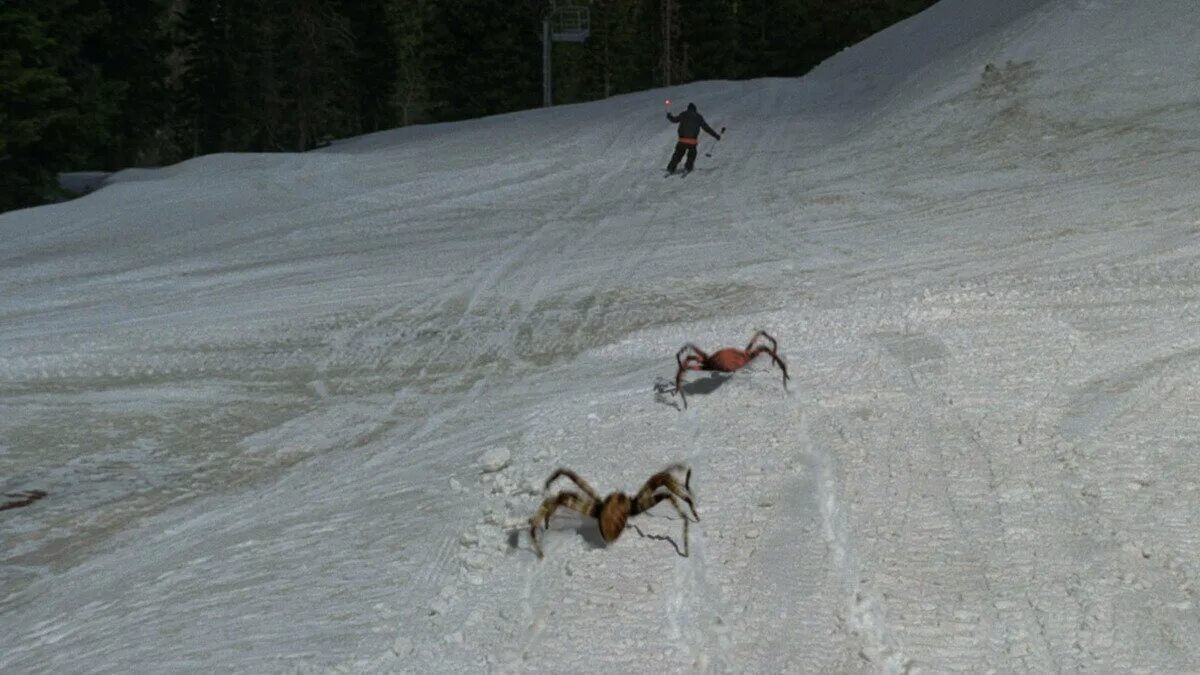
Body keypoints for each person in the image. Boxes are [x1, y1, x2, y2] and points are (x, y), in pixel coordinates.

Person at [665, 102, 721, 174]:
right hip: (692, 140)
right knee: (692, 154)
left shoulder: (683, 114)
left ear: (688, 109)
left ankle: (671, 167)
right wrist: (716, 135)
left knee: (678, 153)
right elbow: (706, 128)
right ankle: (688, 167)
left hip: (682, 139)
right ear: (695, 110)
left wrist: (669, 115)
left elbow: (674, 120)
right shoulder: (698, 117)